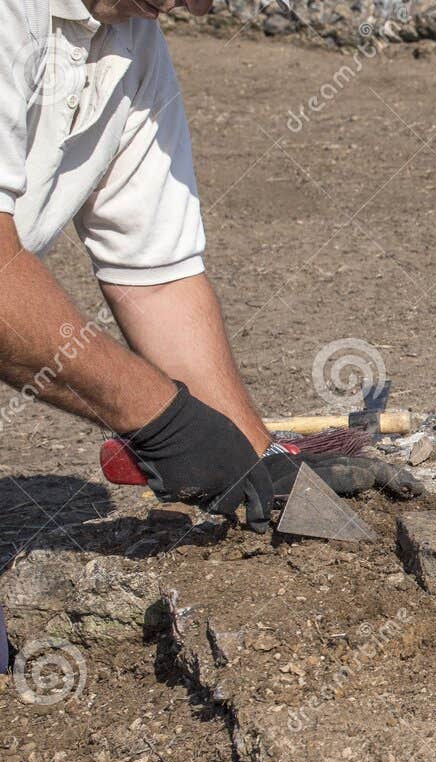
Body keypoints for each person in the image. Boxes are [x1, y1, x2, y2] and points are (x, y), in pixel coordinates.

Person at [1, 0, 400, 534]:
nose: (198, 6)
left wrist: (257, 455)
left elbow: (157, 280)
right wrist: (162, 421)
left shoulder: (129, 33)